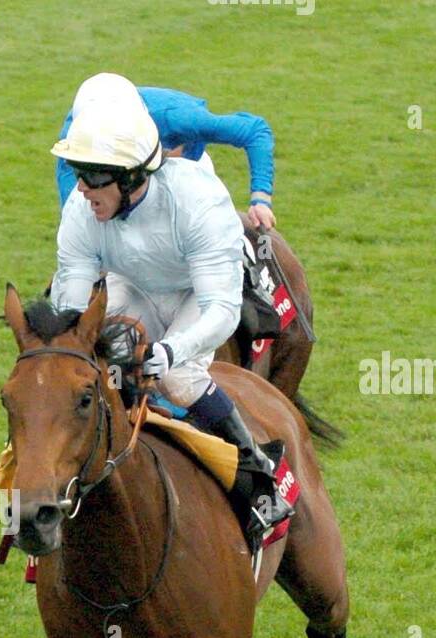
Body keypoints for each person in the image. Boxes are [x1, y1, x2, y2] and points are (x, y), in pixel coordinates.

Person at [49, 78, 293, 534]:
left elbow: (219, 310)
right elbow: (71, 303)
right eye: (78, 173)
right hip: (135, 281)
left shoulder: (197, 202)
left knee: (176, 377)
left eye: (94, 177)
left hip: (197, 291)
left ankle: (259, 476)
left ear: (132, 176)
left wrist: (170, 351)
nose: (81, 189)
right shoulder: (84, 209)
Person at [55, 71, 277, 231]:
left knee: (206, 229)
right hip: (117, 184)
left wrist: (260, 199)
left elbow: (254, 131)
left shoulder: (175, 117)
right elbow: (74, 219)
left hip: (184, 166)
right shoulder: (74, 144)